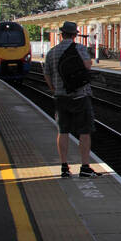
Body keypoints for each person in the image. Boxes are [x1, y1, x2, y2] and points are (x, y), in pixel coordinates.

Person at [43, 20, 101, 178]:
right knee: (85, 131)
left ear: (62, 34)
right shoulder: (79, 48)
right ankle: (84, 167)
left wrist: (54, 89)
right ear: (75, 35)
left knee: (63, 131)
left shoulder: (52, 52)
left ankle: (64, 167)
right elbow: (88, 66)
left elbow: (47, 74)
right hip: (80, 95)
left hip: (61, 97)